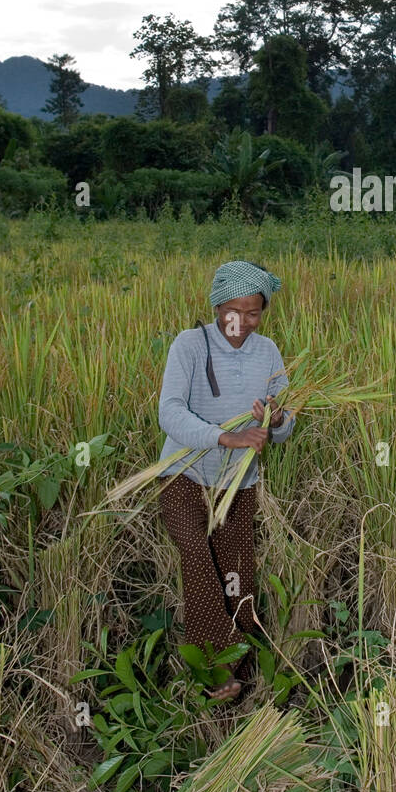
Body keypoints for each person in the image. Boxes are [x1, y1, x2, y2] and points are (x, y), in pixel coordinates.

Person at [157, 260, 295, 701]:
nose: (241, 322)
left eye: (253, 312)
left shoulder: (268, 352)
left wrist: (273, 422)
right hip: (184, 474)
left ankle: (242, 665)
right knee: (197, 556)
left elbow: (287, 421)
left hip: (240, 483)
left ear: (263, 312)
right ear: (217, 307)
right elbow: (170, 412)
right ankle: (217, 672)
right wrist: (226, 437)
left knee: (237, 573)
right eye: (232, 311)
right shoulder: (190, 345)